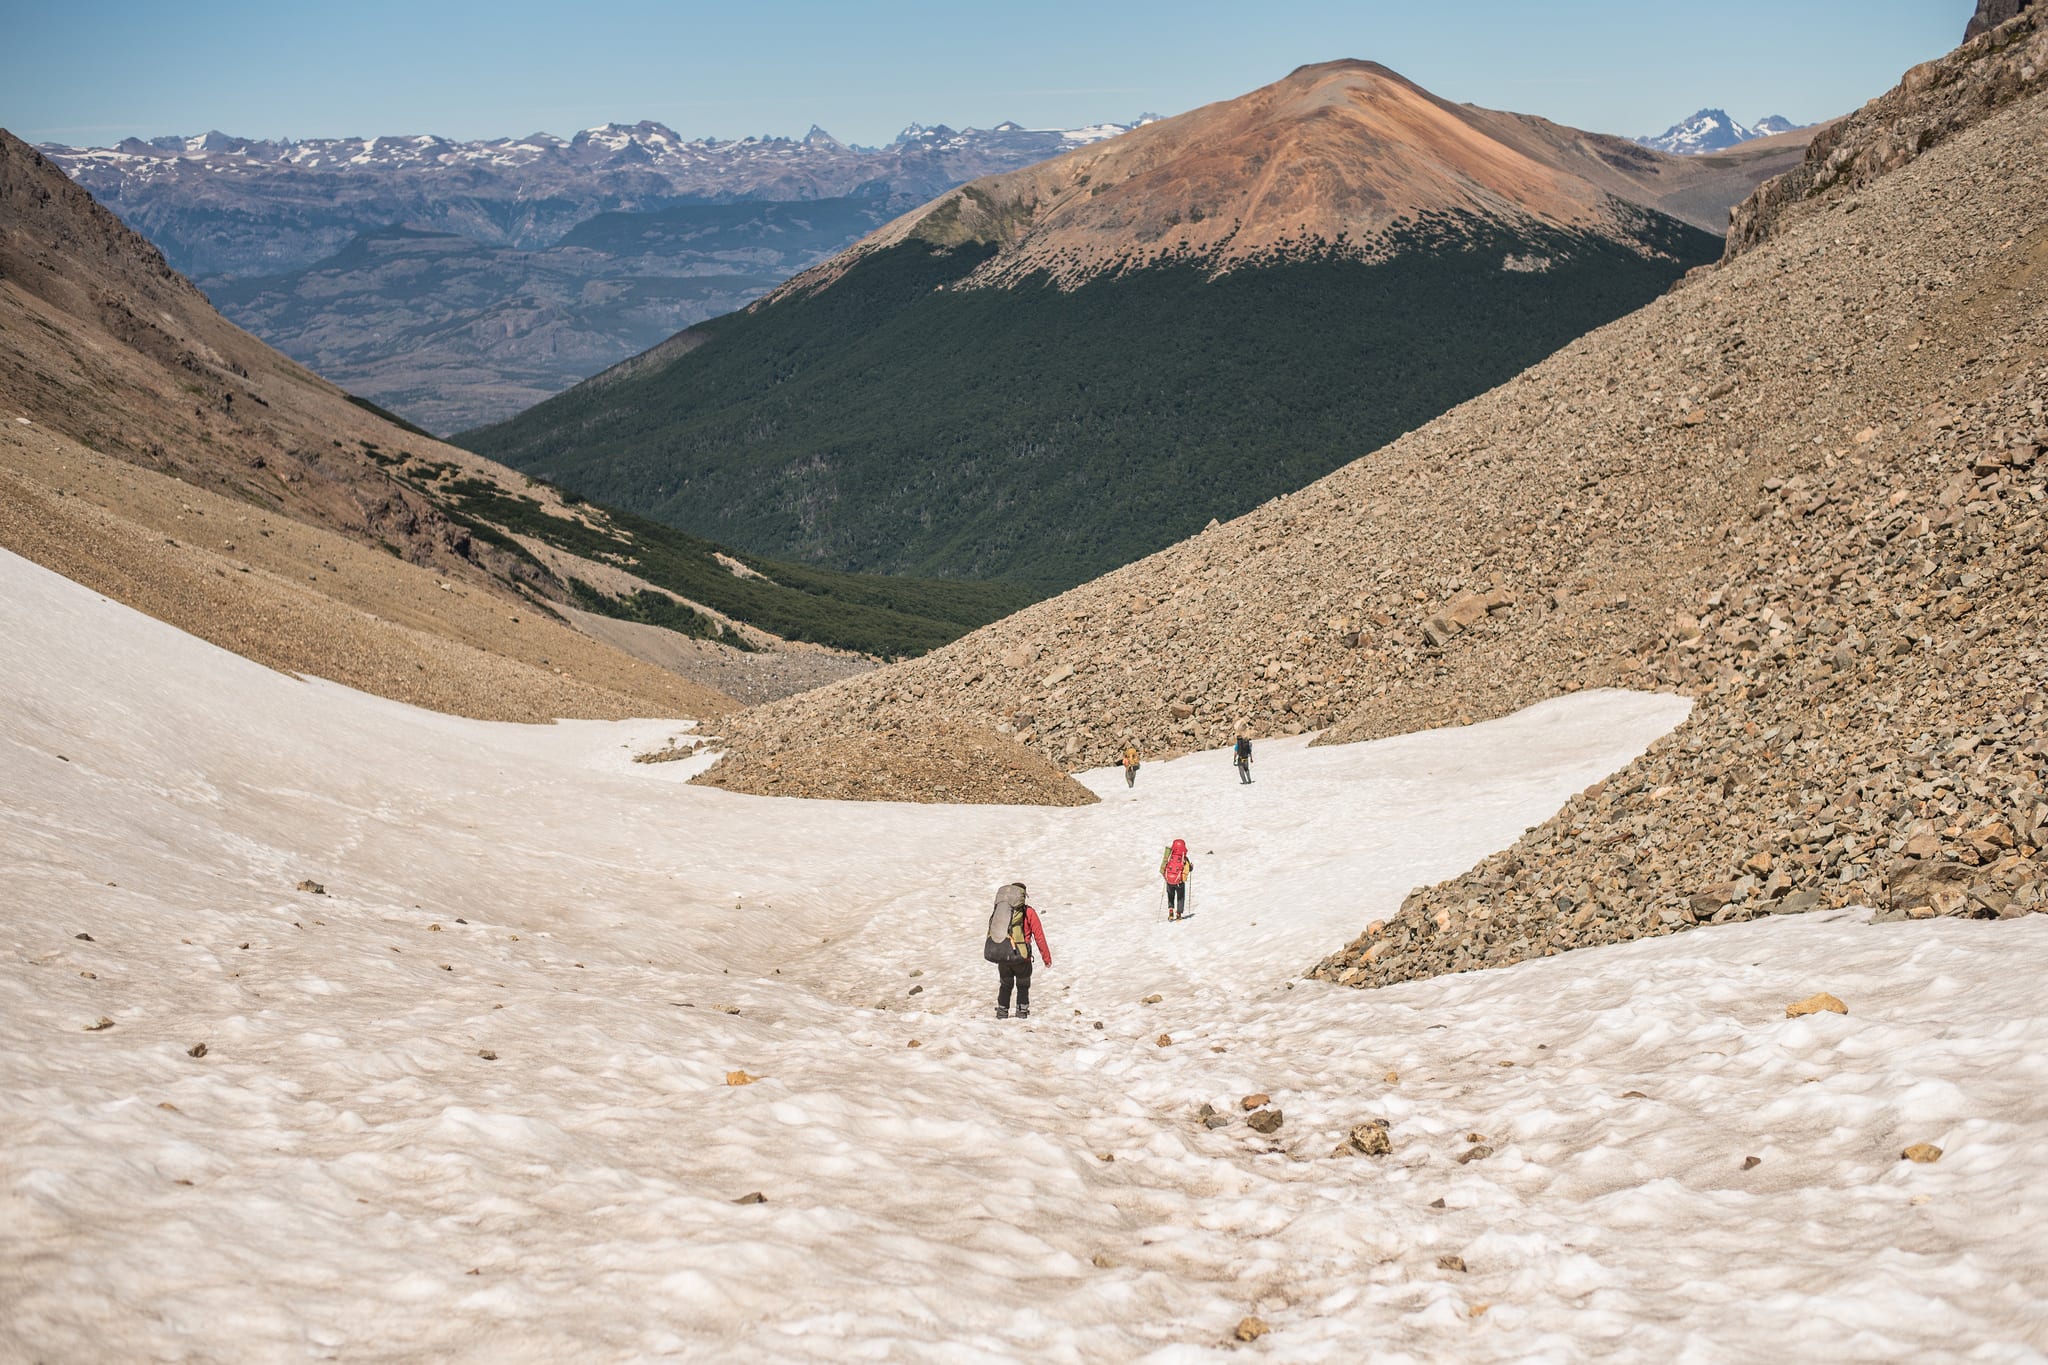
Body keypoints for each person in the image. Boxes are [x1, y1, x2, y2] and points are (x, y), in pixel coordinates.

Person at [983, 881, 1052, 1019]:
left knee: (1005, 984)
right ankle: (1022, 1012)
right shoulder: (1028, 912)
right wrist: (1046, 958)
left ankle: (1002, 1012)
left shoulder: (1001, 912)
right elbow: (1039, 937)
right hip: (1022, 956)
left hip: (1003, 954)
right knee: (1023, 985)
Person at [1159, 838, 1194, 921]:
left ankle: (1170, 911)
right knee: (1180, 897)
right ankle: (1178, 914)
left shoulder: (1170, 857)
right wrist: (1191, 867)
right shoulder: (1184, 858)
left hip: (1169, 881)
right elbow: (1189, 868)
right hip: (1180, 882)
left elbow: (1164, 866)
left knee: (1170, 895)